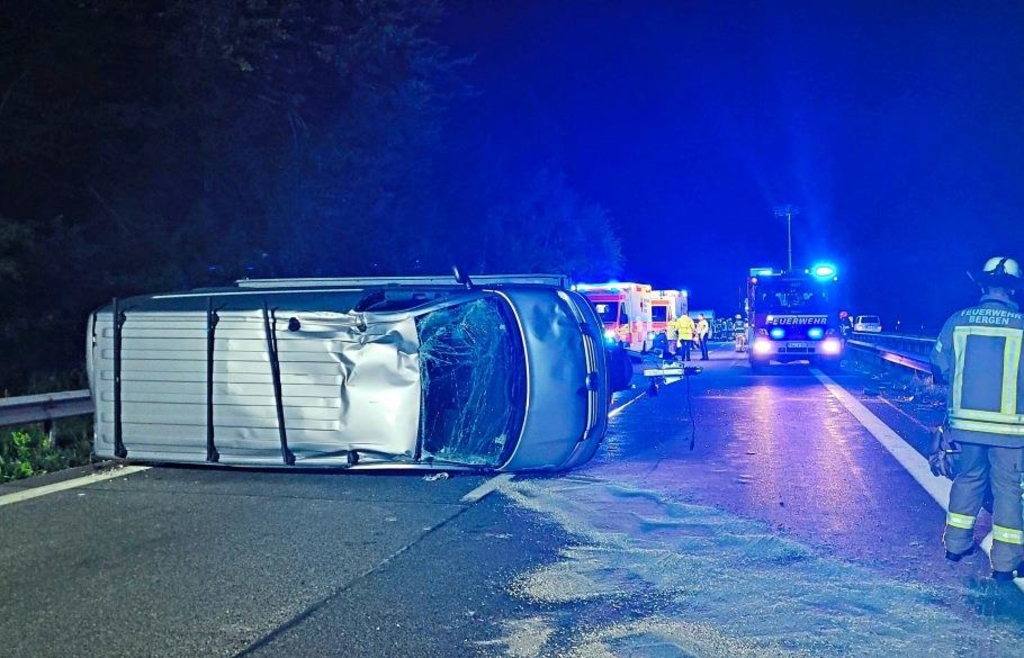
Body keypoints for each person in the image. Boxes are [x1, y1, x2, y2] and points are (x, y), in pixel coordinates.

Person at [929, 256, 1024, 581]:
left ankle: (955, 545)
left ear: (982, 284)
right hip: (1011, 431)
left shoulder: (959, 320)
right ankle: (1004, 564)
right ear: (1014, 289)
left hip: (965, 426)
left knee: (967, 480)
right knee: (1008, 490)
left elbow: (939, 365)